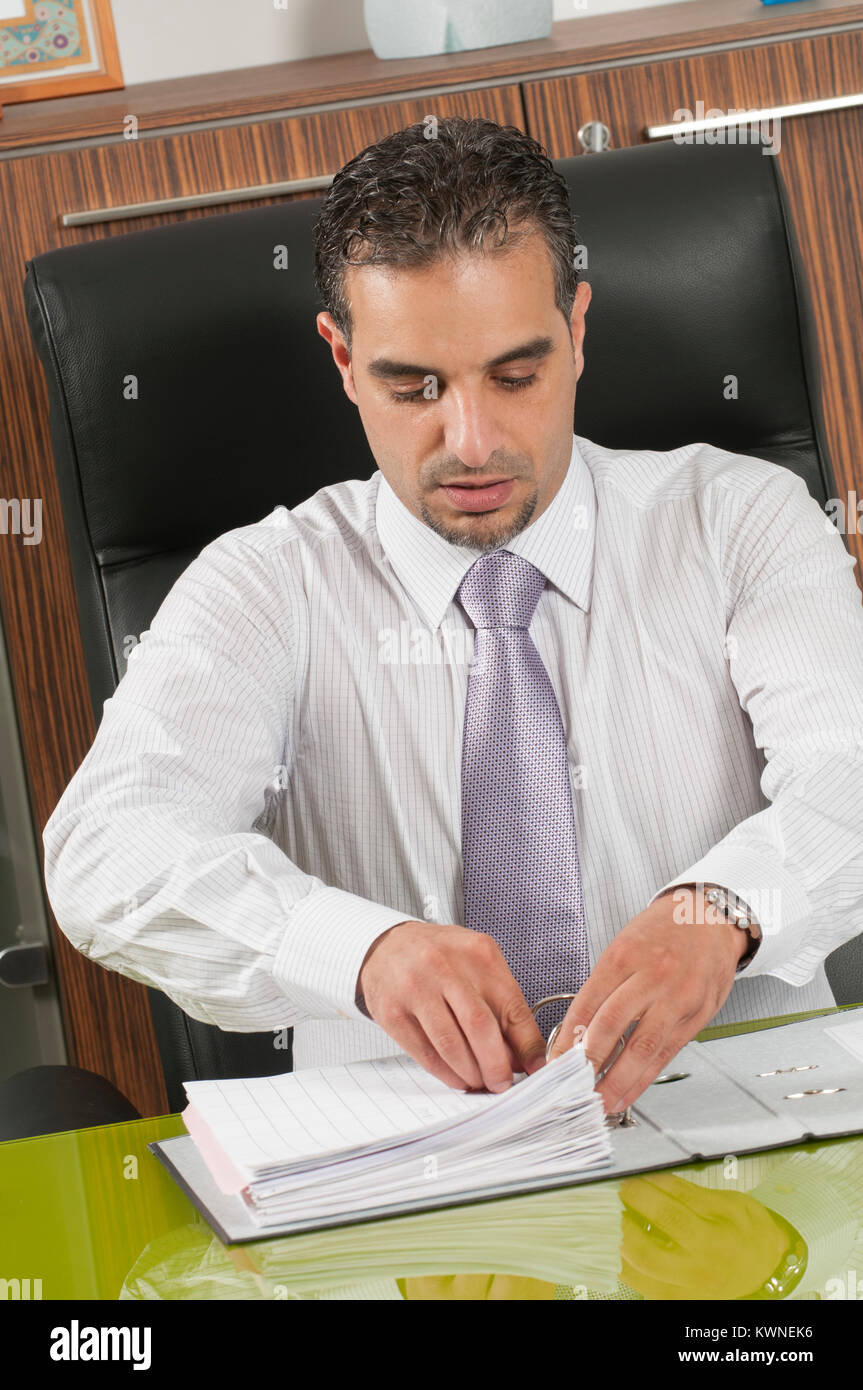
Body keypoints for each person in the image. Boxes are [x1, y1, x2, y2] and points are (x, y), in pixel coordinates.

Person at [42, 117, 863, 1116]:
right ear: (341, 359)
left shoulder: (741, 521)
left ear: (578, 332)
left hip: (745, 1135)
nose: (470, 440)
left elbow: (847, 772)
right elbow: (107, 849)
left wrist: (727, 904)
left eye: (514, 375)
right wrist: (361, 949)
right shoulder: (263, 585)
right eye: (411, 384)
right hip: (417, 1176)